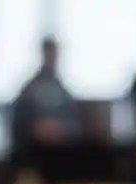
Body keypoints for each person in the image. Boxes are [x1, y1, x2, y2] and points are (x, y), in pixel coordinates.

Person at [10, 37, 83, 165]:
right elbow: (16, 124)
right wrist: (36, 128)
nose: (52, 57)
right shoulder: (29, 89)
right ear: (43, 54)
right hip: (34, 153)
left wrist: (60, 129)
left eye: (55, 53)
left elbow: (76, 123)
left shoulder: (63, 91)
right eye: (49, 53)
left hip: (60, 153)